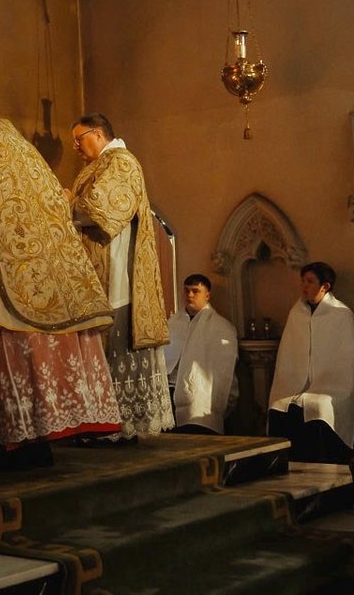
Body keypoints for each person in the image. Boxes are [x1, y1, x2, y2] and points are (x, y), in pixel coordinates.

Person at [0, 108, 120, 467]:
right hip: (48, 267)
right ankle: (40, 440)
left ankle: (15, 442)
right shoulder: (24, 150)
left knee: (6, 342)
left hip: (3, 270)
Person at [68, 113, 174, 440]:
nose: (75, 146)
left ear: (98, 134)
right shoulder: (101, 165)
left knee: (116, 347)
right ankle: (102, 424)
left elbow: (102, 209)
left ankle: (119, 425)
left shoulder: (121, 162)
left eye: (79, 138)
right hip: (98, 271)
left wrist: (67, 202)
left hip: (117, 275)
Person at [267, 262, 354, 463]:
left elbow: (352, 356)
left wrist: (328, 380)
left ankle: (326, 470)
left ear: (325, 286)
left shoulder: (341, 314)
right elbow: (289, 355)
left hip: (334, 388)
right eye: (303, 281)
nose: (304, 286)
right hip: (297, 386)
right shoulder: (296, 313)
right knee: (278, 406)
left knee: (320, 407)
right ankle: (288, 467)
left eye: (310, 281)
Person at [165, 274, 240, 434]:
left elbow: (224, 371)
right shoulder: (173, 323)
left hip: (199, 400)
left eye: (195, 291)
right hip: (168, 394)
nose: (189, 295)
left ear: (207, 295)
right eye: (186, 291)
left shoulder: (221, 327)